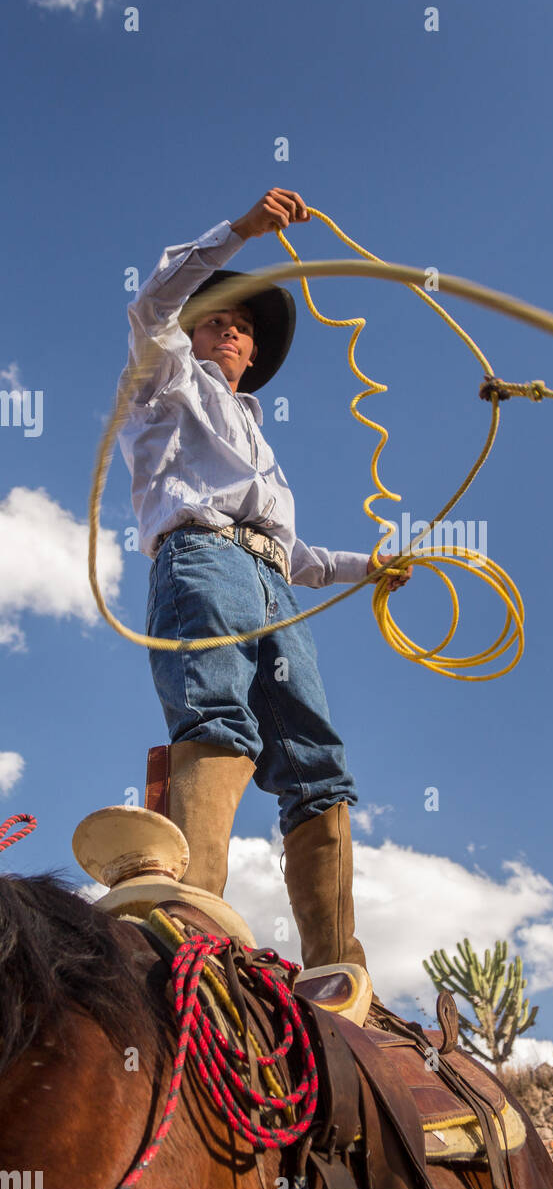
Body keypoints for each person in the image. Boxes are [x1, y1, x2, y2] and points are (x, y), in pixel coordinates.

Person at [117, 186, 411, 981]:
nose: (232, 330)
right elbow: (155, 299)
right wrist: (242, 229)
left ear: (253, 355)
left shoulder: (261, 444)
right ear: (193, 329)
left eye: (243, 327)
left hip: (268, 579)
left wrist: (372, 567)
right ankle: (193, 922)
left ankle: (336, 968)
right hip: (203, 558)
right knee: (218, 714)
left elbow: (296, 554)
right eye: (219, 318)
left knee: (317, 759)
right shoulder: (163, 377)